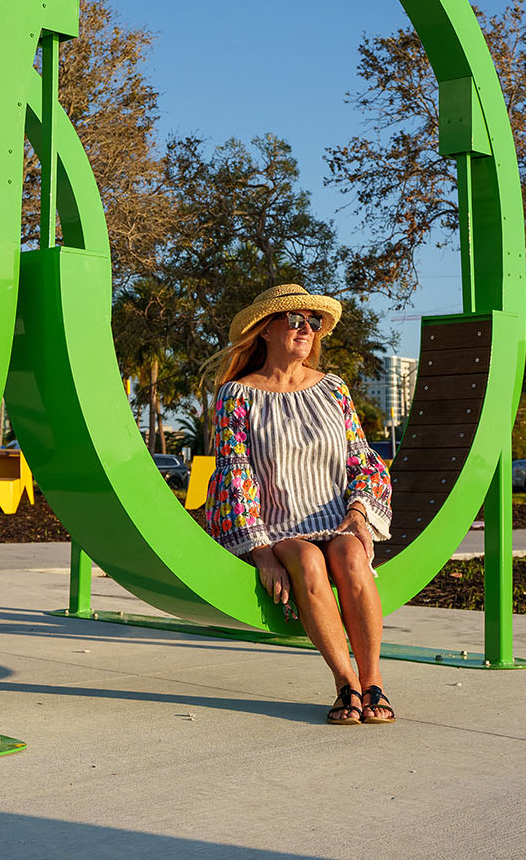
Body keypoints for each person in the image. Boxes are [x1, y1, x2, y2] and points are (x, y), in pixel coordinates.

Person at [201, 284, 395, 726]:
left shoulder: (334, 389)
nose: (306, 327)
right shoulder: (238, 395)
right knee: (308, 560)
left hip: (337, 520)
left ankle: (374, 683)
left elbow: (361, 458)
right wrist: (261, 551)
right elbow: (234, 472)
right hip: (278, 529)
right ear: (264, 331)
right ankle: (345, 683)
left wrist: (360, 512)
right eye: (293, 319)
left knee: (349, 553)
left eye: (313, 321)